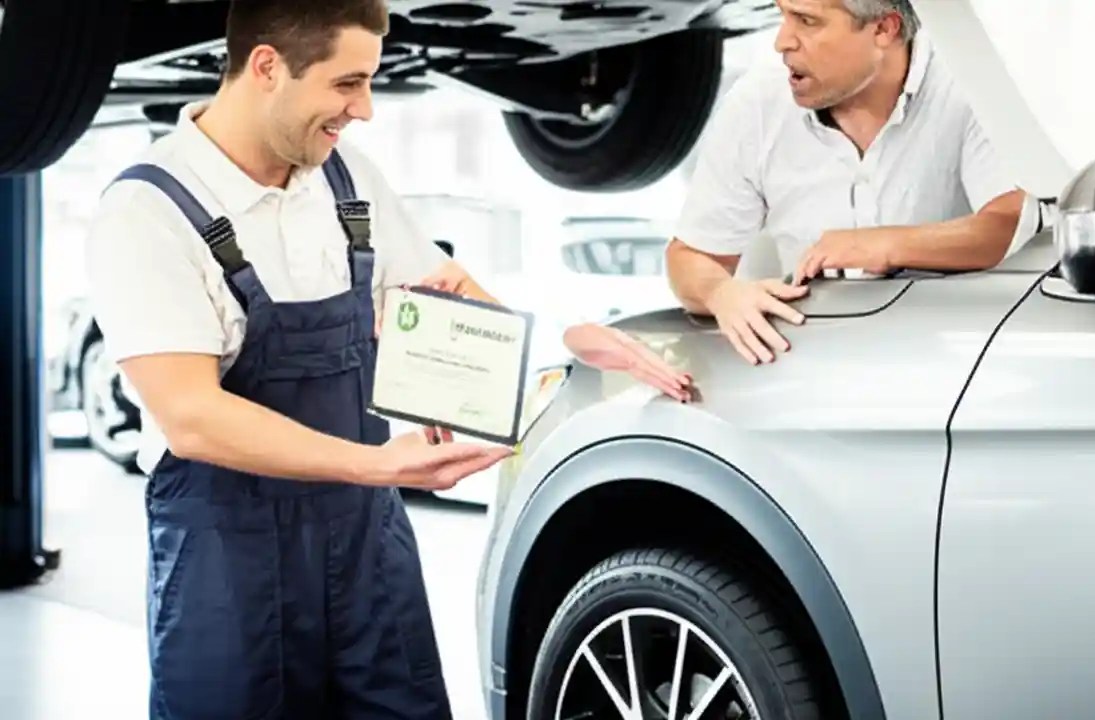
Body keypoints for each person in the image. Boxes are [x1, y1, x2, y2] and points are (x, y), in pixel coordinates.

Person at [85, 1, 691, 717]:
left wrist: (558, 341)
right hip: (228, 570)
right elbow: (191, 417)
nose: (365, 108)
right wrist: (376, 466)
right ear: (267, 67)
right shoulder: (148, 209)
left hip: (366, 554)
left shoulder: (344, 180)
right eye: (347, 83)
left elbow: (437, 288)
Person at [666, 0, 1036, 365]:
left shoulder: (969, 85)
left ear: (884, 29)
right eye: (782, 14)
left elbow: (1009, 222)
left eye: (807, 21)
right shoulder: (757, 104)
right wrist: (720, 292)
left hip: (955, 361)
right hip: (810, 363)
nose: (782, 42)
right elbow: (693, 256)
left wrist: (885, 245)